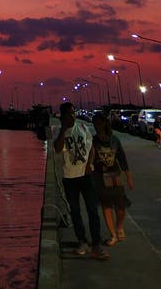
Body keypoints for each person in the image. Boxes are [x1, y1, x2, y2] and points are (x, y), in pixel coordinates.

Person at [53, 102, 110, 260]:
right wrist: (64, 129)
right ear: (63, 115)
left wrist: (89, 164)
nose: (73, 115)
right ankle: (82, 241)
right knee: (75, 212)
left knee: (92, 210)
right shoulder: (59, 131)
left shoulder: (83, 128)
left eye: (73, 113)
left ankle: (96, 244)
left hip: (86, 176)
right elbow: (58, 149)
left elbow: (91, 147)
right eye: (69, 113)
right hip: (69, 178)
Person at [91, 112, 133, 245]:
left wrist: (128, 177)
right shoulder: (93, 141)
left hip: (114, 175)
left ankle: (119, 226)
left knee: (120, 206)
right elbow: (90, 160)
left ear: (104, 123)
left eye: (98, 123)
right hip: (100, 176)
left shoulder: (114, 140)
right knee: (106, 205)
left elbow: (122, 158)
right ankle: (113, 235)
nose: (96, 126)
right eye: (94, 124)